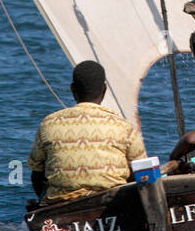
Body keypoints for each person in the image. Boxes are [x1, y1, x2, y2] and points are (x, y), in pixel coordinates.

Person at [27, 60, 146, 204]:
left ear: (72, 89)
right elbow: (142, 171)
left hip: (61, 205)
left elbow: (36, 173)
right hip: (111, 204)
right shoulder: (123, 126)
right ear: (104, 89)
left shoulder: (49, 123)